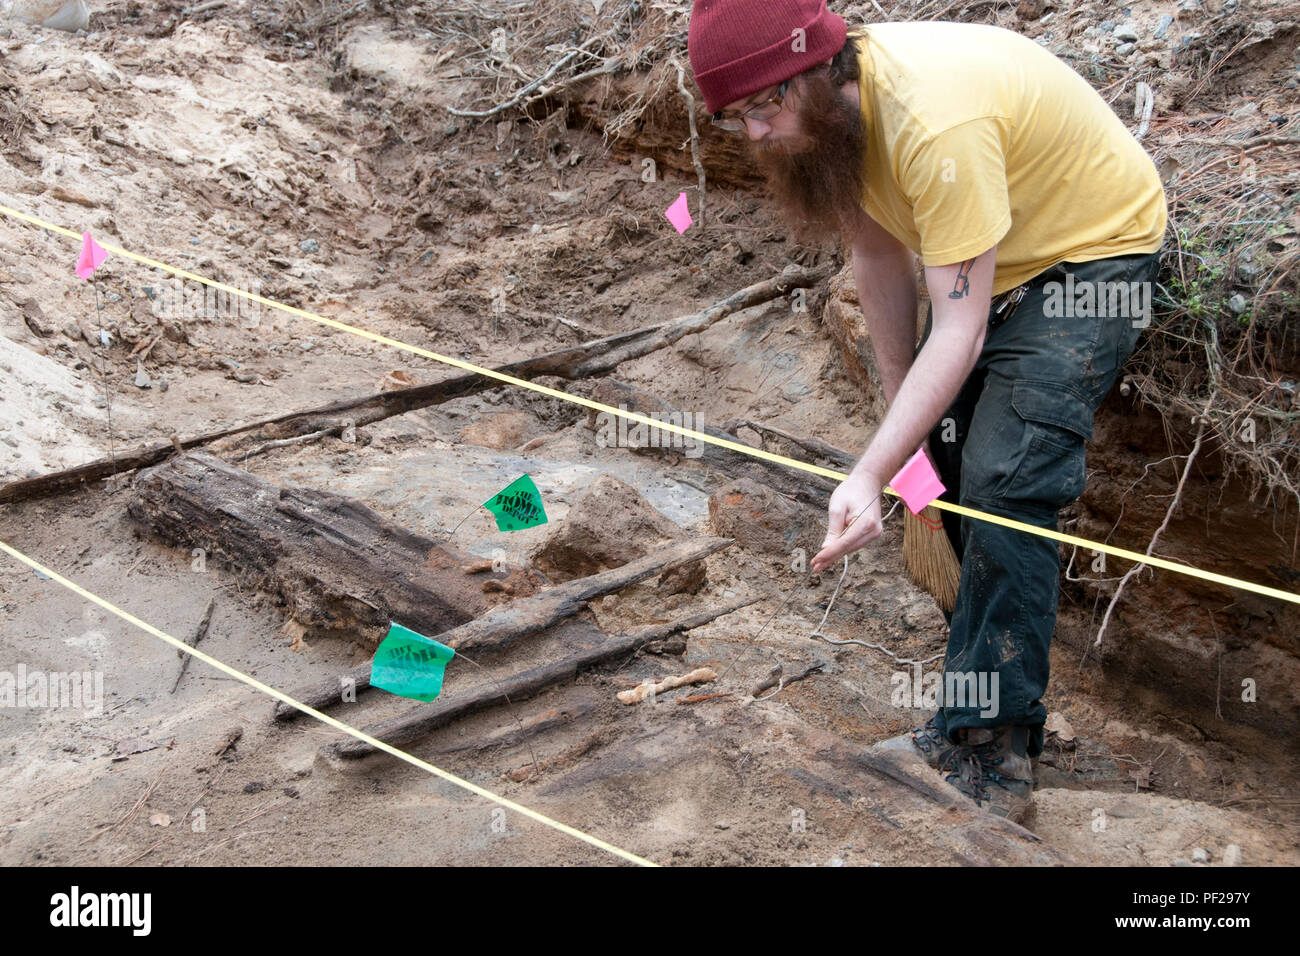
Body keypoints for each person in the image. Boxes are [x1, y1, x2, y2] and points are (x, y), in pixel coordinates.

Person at [687, 0, 1167, 823]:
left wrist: (868, 473)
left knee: (1006, 478)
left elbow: (962, 321)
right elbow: (875, 255)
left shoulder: (933, 122)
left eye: (764, 107)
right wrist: (901, 420)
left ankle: (992, 757)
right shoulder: (832, 124)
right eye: (735, 120)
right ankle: (971, 700)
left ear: (819, 69)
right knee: (944, 461)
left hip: (1087, 254)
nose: (756, 133)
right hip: (990, 258)